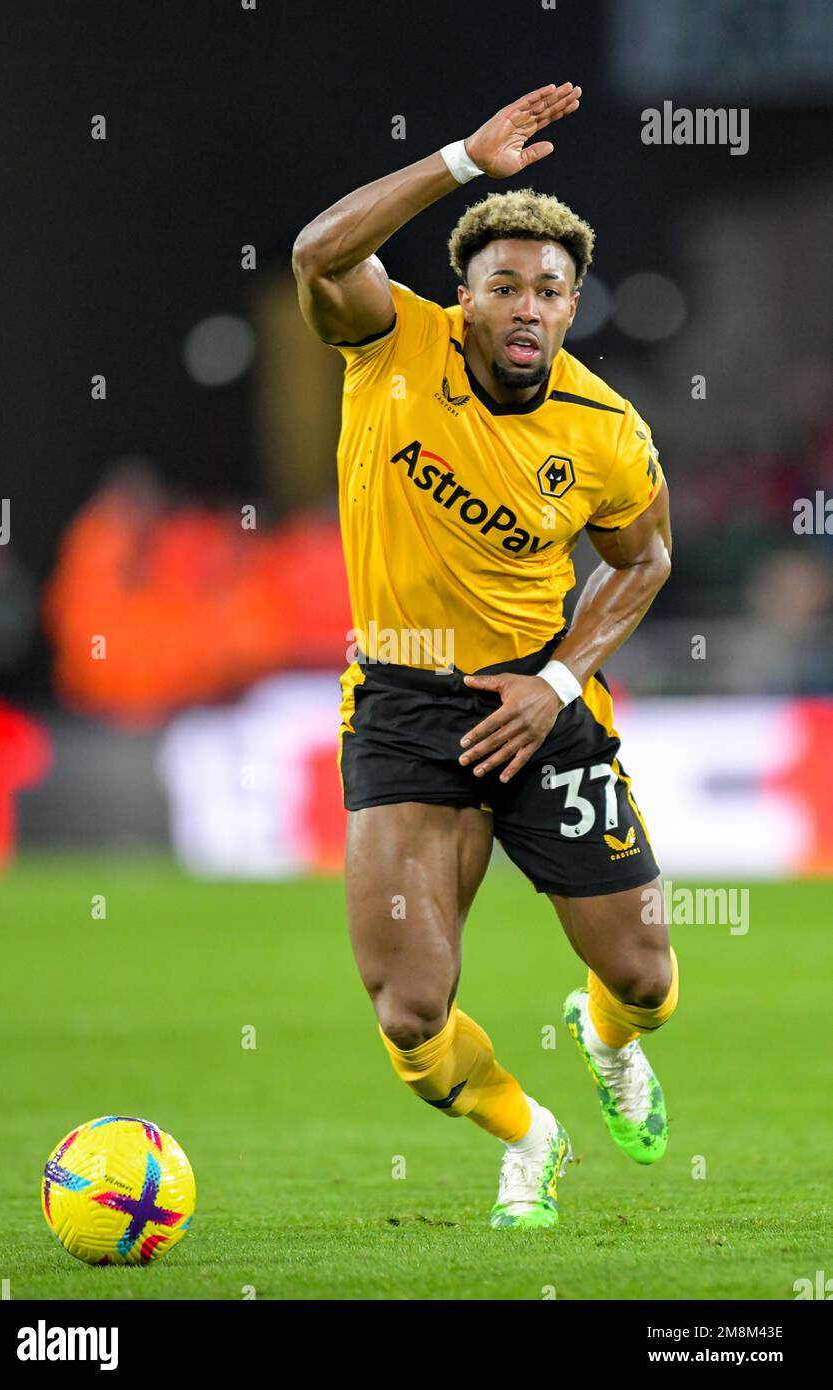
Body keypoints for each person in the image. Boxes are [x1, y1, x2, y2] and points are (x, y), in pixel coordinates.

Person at [292, 84, 677, 1229]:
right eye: (501, 283)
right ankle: (527, 1131)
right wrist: (461, 159)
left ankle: (604, 1043)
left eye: (547, 290)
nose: (524, 304)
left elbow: (644, 559)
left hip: (541, 701)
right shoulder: (388, 342)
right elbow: (318, 250)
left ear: (570, 309)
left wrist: (557, 677)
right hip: (406, 704)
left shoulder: (603, 431)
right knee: (410, 1011)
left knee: (648, 981)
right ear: (461, 297)